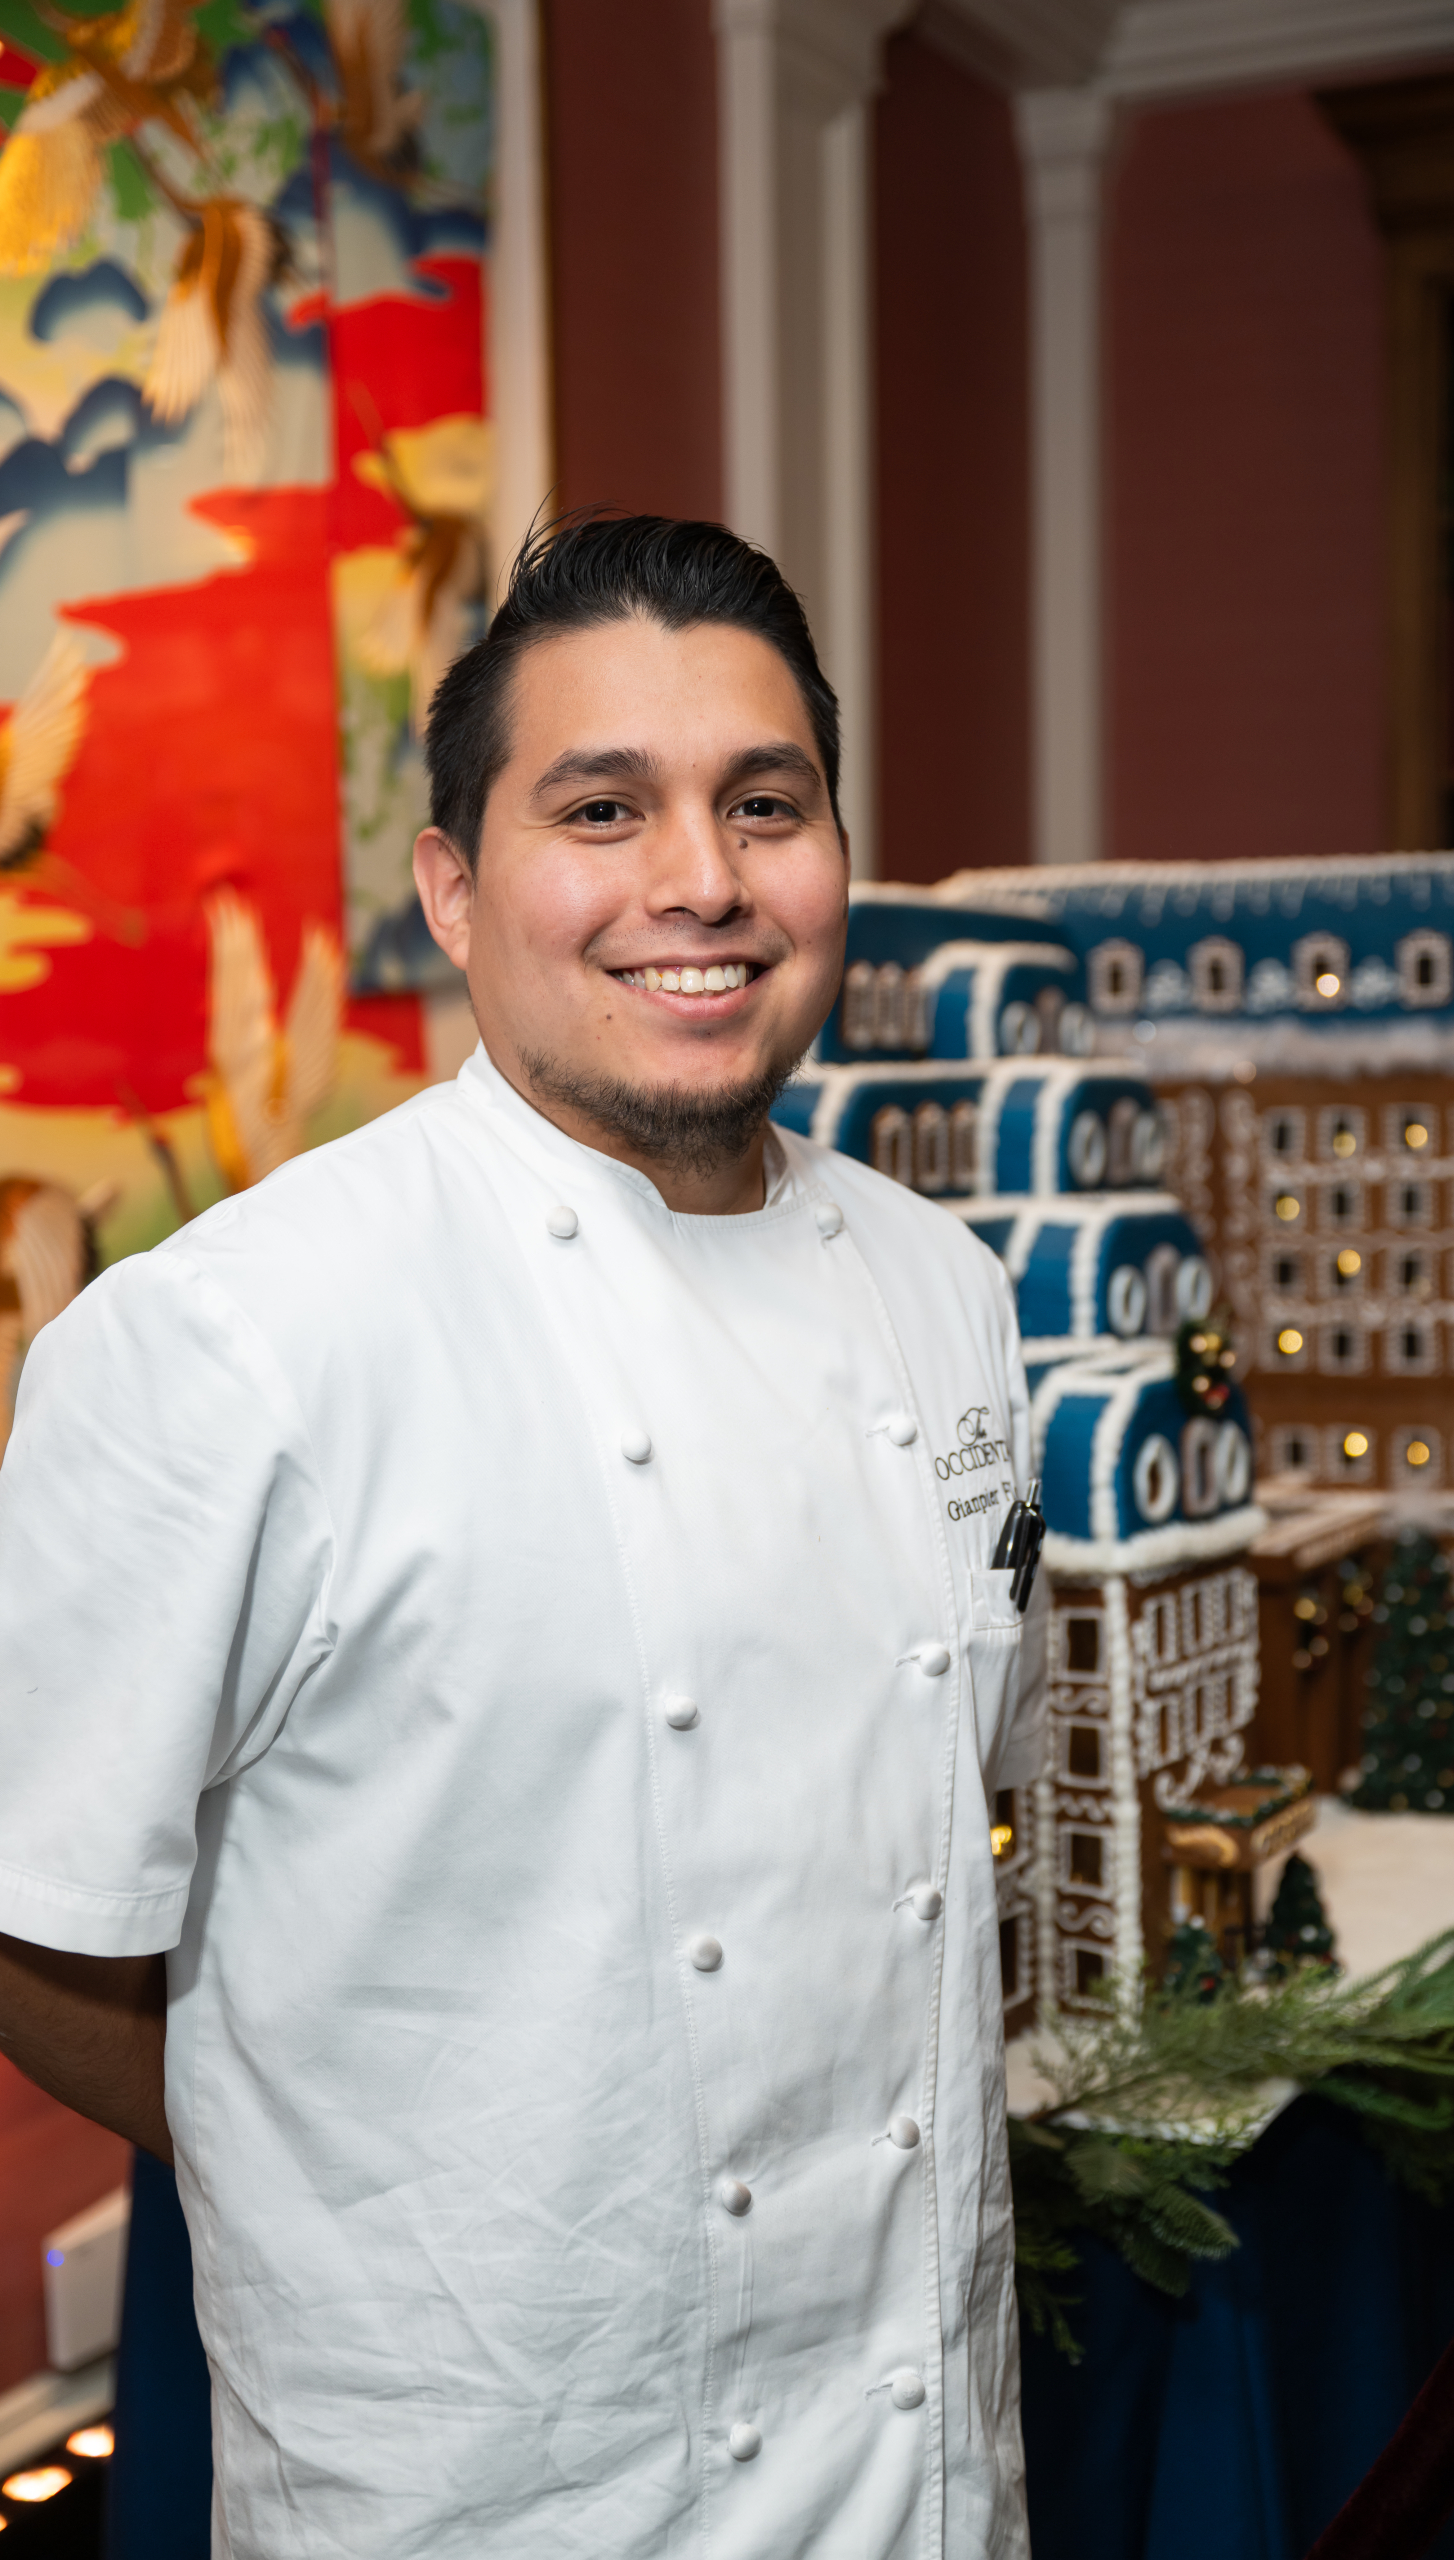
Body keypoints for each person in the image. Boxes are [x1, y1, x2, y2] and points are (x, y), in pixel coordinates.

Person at [0, 515, 1044, 2558]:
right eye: (603, 808)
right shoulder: (235, 1340)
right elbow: (37, 1931)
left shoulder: (941, 1288)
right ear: (454, 887)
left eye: (766, 802)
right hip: (484, 2489)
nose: (701, 882)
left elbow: (929, 1842)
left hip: (921, 2475)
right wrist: (372, 2180)